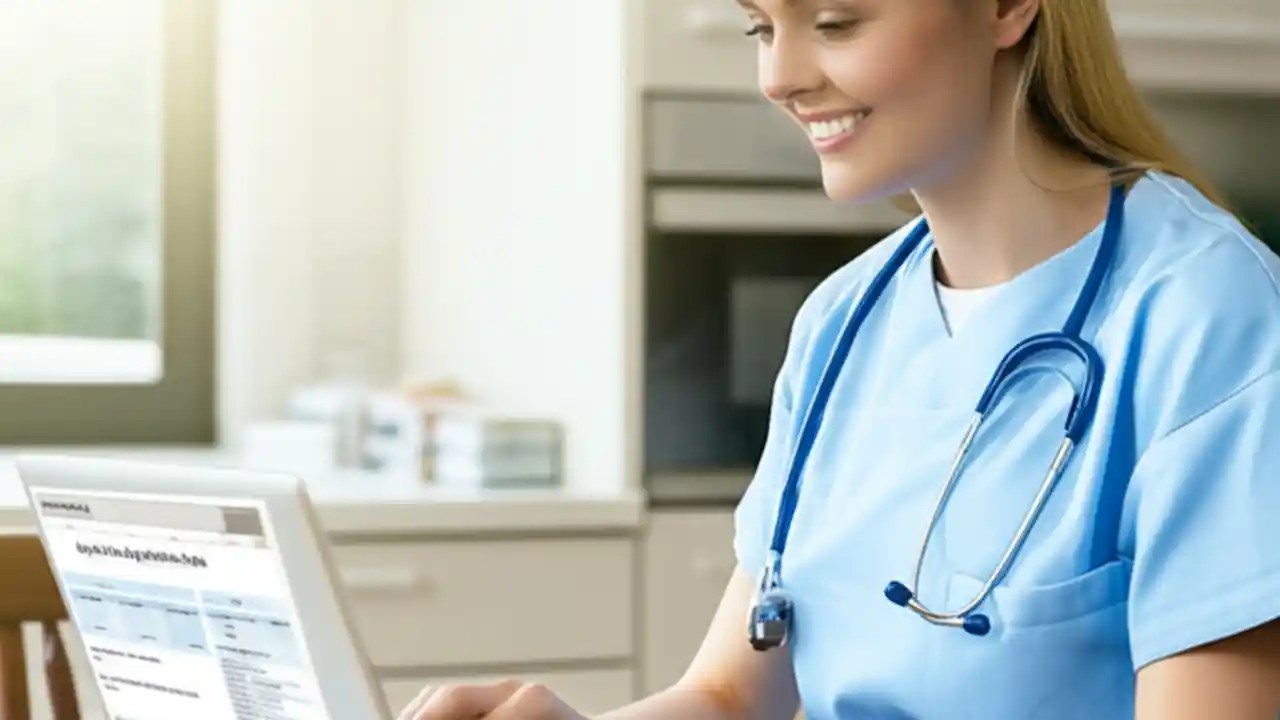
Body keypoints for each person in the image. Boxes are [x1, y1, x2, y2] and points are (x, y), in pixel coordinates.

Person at [399, 0, 1280, 717]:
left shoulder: (1212, 320)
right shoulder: (843, 319)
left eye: (834, 22)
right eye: (760, 27)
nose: (780, 76)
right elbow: (729, 694)